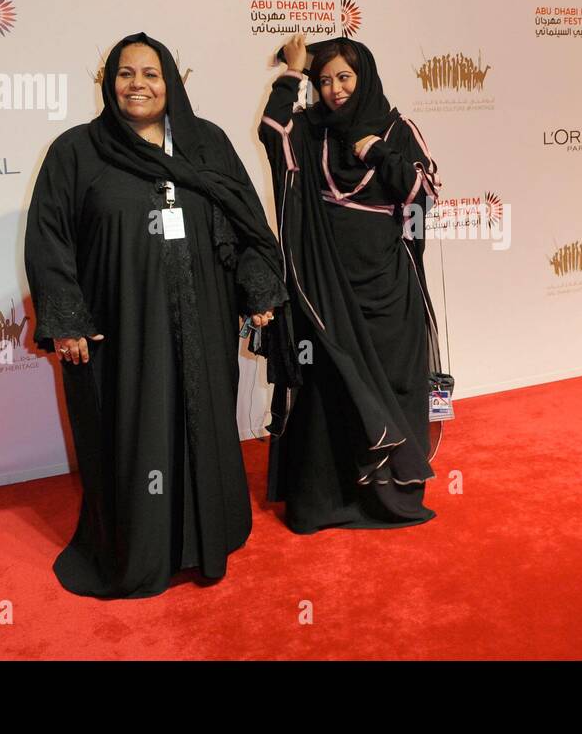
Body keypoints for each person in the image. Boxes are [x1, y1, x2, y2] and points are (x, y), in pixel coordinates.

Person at [24, 32, 291, 598]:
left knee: (202, 417)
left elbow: (248, 224)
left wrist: (259, 287)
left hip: (204, 319)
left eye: (150, 73)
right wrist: (66, 319)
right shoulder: (77, 151)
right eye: (126, 73)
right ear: (109, 81)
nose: (137, 85)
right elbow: (50, 240)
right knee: (133, 430)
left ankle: (205, 537)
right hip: (121, 330)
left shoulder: (206, 144)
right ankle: (139, 550)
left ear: (171, 81)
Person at [256, 33, 442, 532]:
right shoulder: (312, 128)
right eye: (325, 80)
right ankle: (324, 502)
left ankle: (388, 501)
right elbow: (272, 131)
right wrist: (293, 72)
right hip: (326, 289)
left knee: (392, 386)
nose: (335, 89)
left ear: (364, 76)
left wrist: (380, 153)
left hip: (388, 290)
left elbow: (424, 195)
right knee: (327, 388)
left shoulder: (397, 128)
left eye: (344, 77)